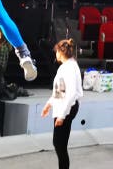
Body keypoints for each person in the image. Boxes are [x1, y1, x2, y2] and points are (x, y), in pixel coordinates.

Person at [41, 39, 83, 169]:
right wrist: (49, 104)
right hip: (64, 106)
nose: (55, 54)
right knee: (59, 144)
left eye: (56, 52)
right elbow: (59, 90)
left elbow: (70, 93)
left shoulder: (69, 67)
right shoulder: (67, 66)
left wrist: (62, 116)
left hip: (67, 108)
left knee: (59, 144)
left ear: (60, 51)